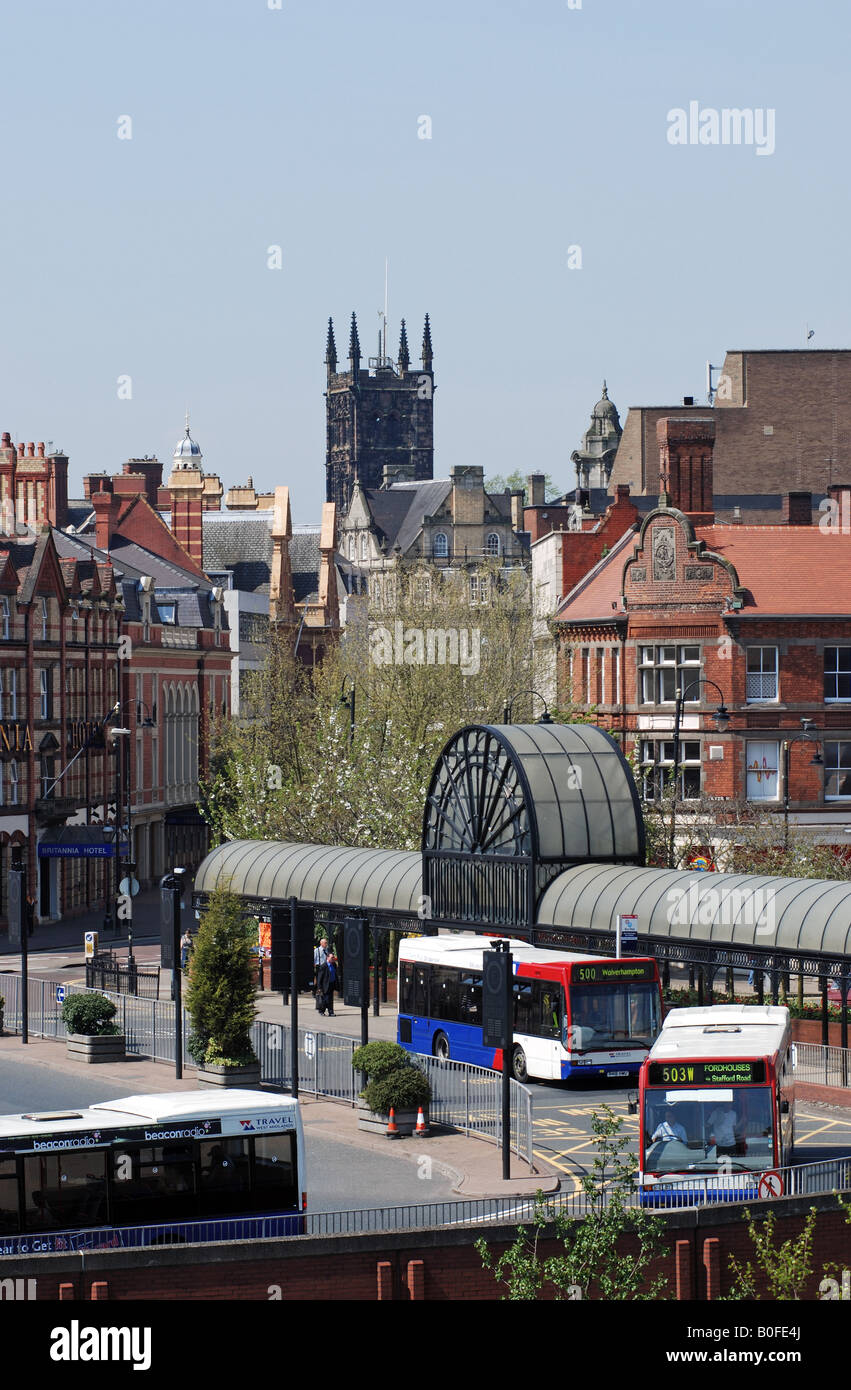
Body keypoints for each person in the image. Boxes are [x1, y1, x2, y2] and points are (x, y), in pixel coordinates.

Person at [316, 952, 337, 1017]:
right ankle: (321, 1011)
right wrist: (319, 987)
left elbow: (335, 974)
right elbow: (320, 977)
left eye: (333, 957)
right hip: (325, 985)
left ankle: (331, 1012)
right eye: (332, 957)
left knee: (330, 999)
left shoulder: (334, 965)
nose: (333, 958)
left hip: (331, 984)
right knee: (325, 999)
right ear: (327, 958)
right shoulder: (323, 966)